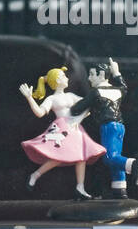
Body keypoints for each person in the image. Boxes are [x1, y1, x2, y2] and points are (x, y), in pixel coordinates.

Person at [19, 66, 104, 199]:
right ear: (57, 80)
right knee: (58, 156)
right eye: (64, 76)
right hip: (61, 128)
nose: (67, 78)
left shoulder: (71, 96)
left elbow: (89, 105)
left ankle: (80, 187)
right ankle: (35, 175)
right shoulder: (51, 99)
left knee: (81, 156)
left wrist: (79, 118)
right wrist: (30, 98)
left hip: (75, 129)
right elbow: (40, 113)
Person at [75, 59, 138, 199]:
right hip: (120, 127)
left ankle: (134, 164)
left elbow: (77, 108)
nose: (89, 78)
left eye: (92, 74)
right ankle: (120, 189)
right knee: (116, 158)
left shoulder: (96, 92)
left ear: (101, 75)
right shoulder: (118, 90)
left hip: (108, 127)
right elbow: (124, 86)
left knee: (109, 158)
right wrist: (116, 72)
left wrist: (70, 102)